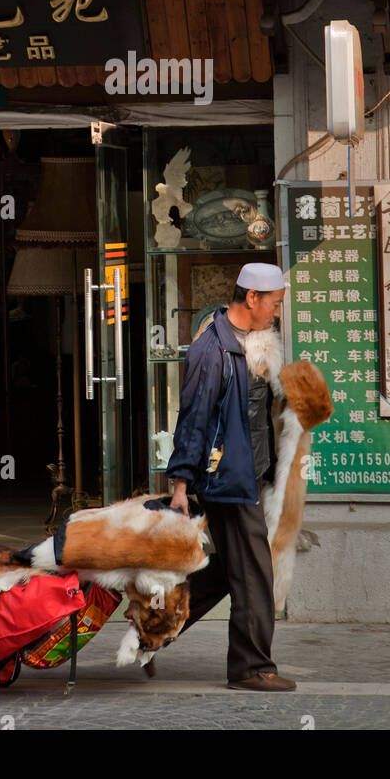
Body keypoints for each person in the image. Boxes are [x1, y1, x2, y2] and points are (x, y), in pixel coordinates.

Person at [165, 261, 297, 692]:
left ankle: (153, 629)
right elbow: (194, 419)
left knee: (224, 571)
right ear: (251, 298)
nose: (276, 313)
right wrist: (181, 485)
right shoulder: (212, 349)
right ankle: (251, 668)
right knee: (256, 572)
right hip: (228, 480)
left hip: (251, 475)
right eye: (274, 304)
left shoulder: (256, 343)